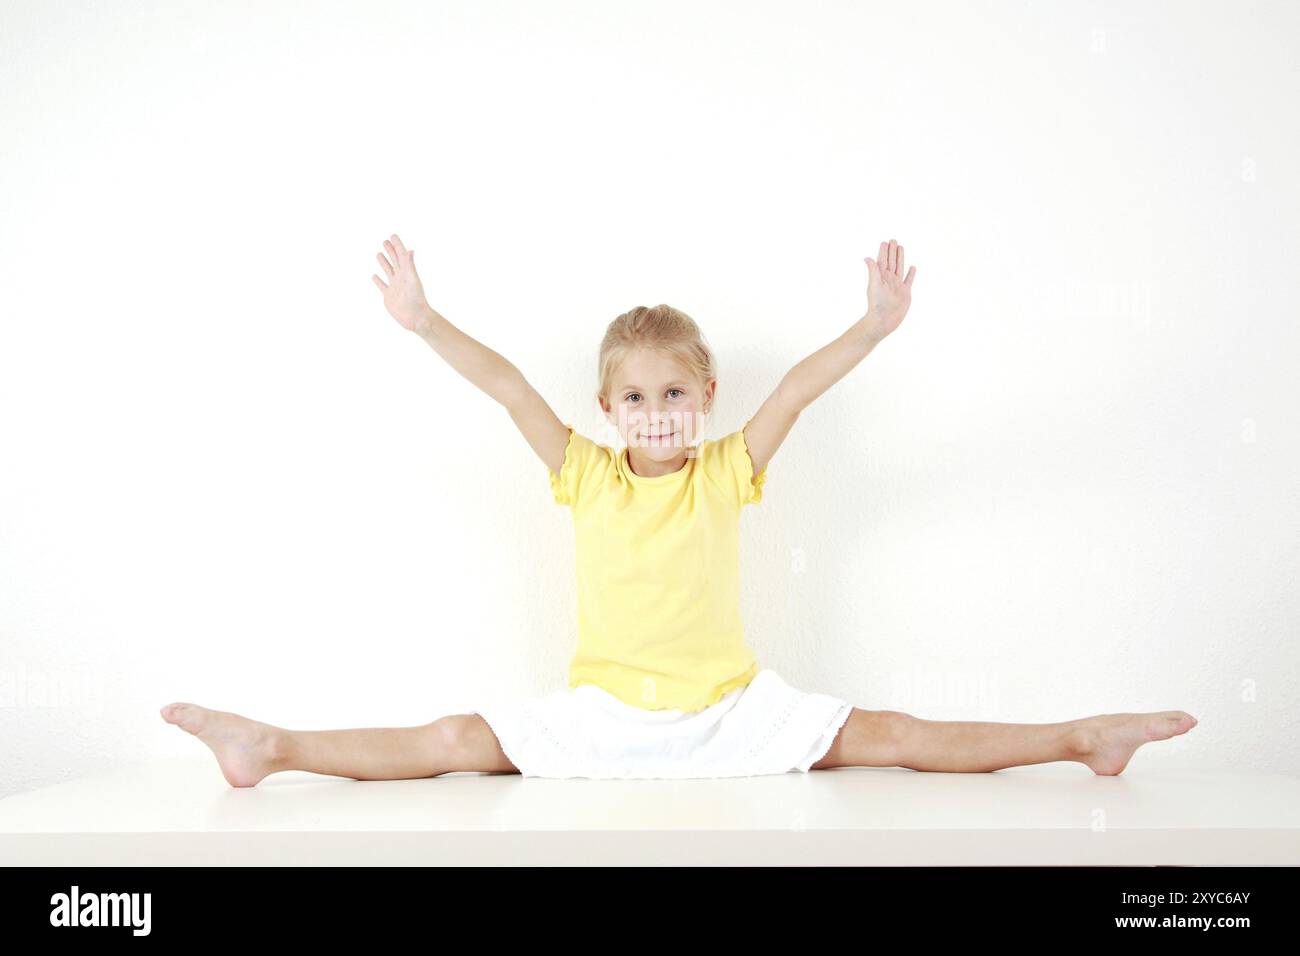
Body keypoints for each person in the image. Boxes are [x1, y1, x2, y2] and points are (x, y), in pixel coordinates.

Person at [160, 235, 1197, 787]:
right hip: (601, 719)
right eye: (634, 397)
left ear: (702, 397)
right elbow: (512, 386)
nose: (655, 413)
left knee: (891, 732)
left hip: (728, 712)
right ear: (608, 409)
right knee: (446, 739)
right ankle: (274, 745)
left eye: (674, 393)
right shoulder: (584, 472)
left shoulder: (726, 470)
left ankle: (1078, 737)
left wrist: (871, 329)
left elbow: (790, 389)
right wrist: (426, 321)